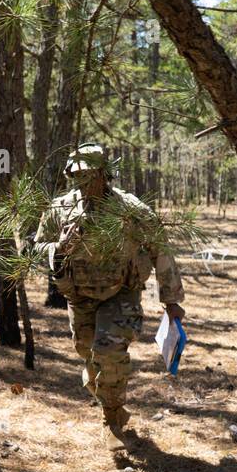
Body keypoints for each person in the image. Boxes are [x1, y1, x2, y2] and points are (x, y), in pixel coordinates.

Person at [33, 144, 186, 446]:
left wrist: (171, 301)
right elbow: (36, 250)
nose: (82, 182)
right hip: (80, 296)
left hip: (121, 294)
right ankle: (108, 403)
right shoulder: (60, 209)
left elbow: (161, 250)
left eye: (89, 175)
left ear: (105, 175)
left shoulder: (131, 210)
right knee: (88, 355)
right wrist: (58, 247)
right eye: (76, 175)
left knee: (109, 354)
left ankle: (113, 417)